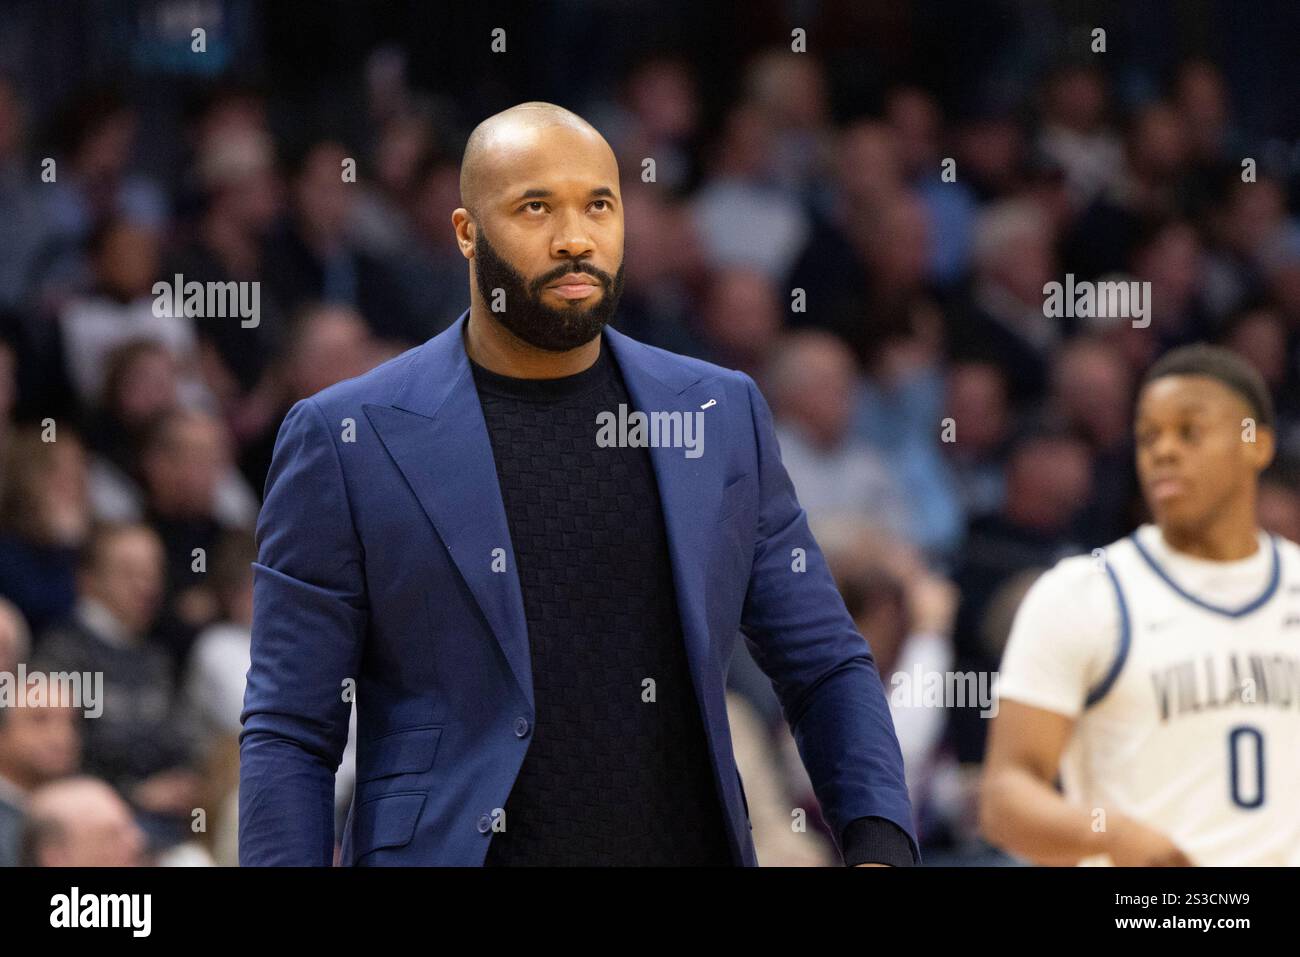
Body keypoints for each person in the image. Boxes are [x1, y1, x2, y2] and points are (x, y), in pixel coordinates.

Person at [240, 101, 917, 867]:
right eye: (535, 207)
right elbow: (291, 728)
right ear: (466, 232)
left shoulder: (719, 414)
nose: (574, 237)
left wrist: (879, 843)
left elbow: (825, 663)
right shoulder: (345, 437)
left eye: (600, 205)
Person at [980, 344, 1300, 865]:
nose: (1164, 451)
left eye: (1189, 431)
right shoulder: (1084, 592)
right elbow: (1004, 800)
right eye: (1148, 436)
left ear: (1256, 446)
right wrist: (1107, 835)